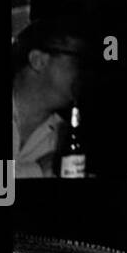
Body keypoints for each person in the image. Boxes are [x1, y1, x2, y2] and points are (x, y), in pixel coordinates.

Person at [12, 17, 91, 177]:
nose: (84, 72)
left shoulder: (63, 138)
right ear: (38, 60)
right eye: (76, 59)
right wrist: (37, 170)